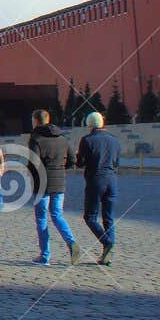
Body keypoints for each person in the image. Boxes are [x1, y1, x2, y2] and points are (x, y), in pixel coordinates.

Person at [26, 109, 78, 265]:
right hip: (59, 182)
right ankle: (72, 242)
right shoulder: (62, 138)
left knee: (42, 219)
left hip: (42, 184)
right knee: (57, 215)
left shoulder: (36, 138)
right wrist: (61, 168)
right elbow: (73, 159)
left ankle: (45, 255)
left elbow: (33, 162)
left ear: (36, 121)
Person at [75, 111, 121, 265]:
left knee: (90, 217)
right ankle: (108, 254)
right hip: (112, 180)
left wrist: (77, 156)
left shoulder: (87, 140)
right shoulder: (115, 140)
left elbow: (80, 163)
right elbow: (116, 162)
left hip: (95, 180)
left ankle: (107, 243)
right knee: (108, 218)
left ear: (89, 124)